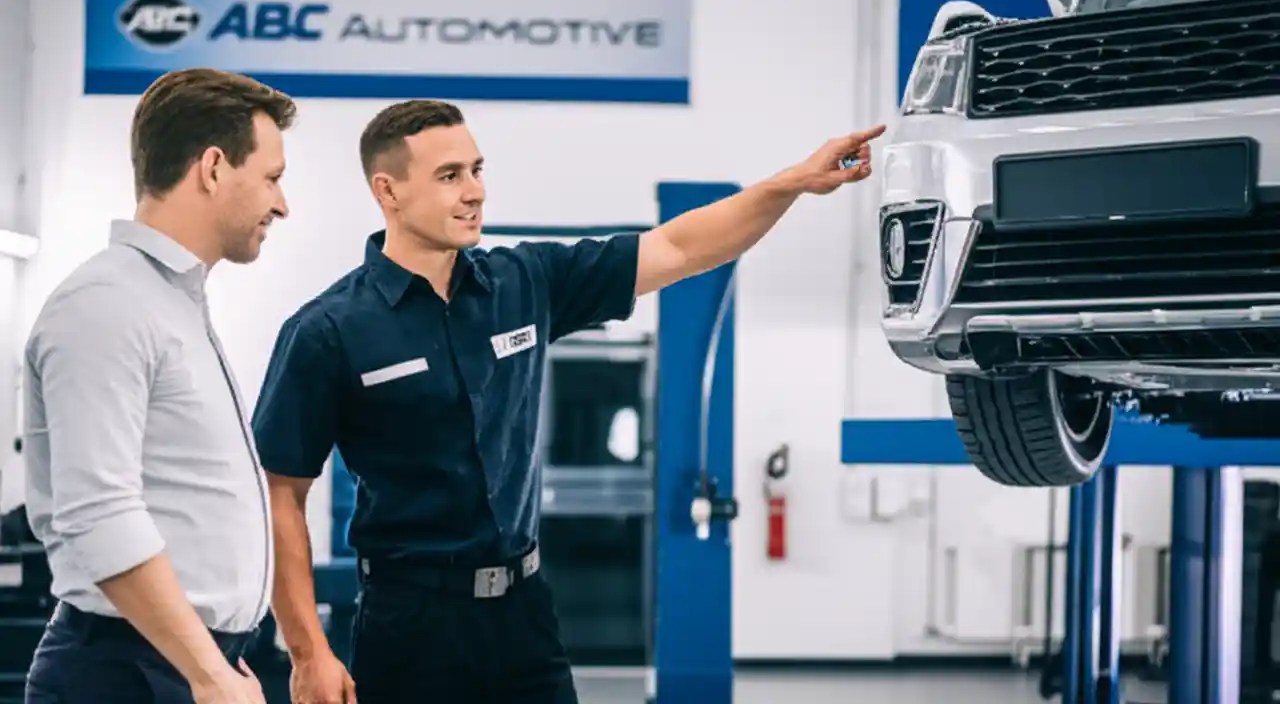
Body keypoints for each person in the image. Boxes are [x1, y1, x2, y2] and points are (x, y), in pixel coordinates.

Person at [251, 98, 884, 703]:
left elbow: (679, 247)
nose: (474, 191)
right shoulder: (328, 331)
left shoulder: (524, 282)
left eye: (476, 170)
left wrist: (792, 184)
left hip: (524, 615)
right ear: (387, 191)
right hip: (409, 625)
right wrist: (308, 652)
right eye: (449, 176)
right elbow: (283, 495)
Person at [22, 68, 295, 704]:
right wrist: (207, 673)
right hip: (130, 671)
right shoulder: (107, 304)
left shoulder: (170, 301)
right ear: (213, 168)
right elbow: (99, 514)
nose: (282, 204)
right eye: (273, 178)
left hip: (184, 663)